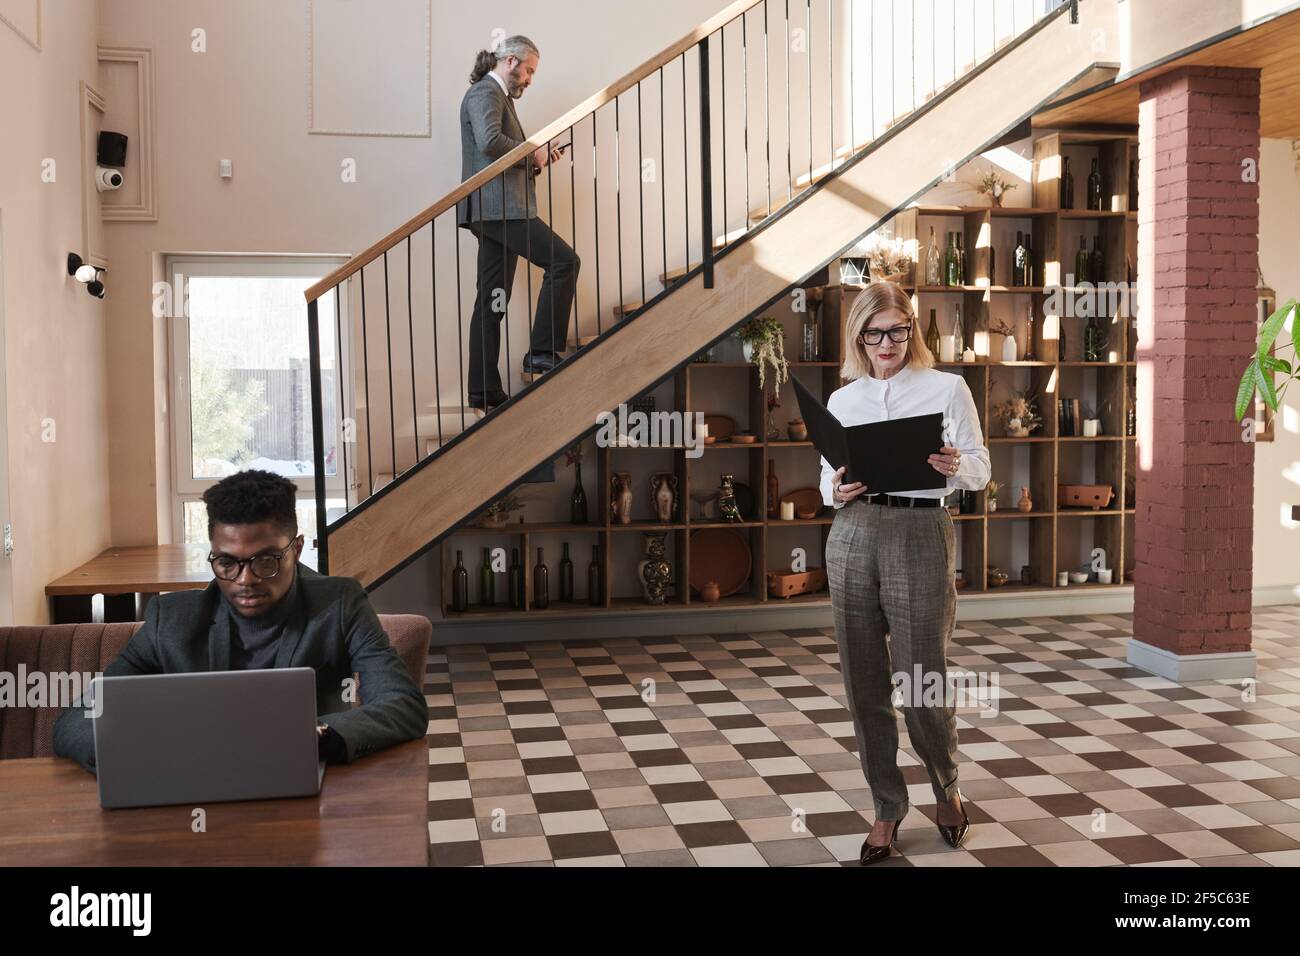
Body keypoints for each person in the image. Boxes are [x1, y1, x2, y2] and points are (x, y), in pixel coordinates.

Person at [53, 469, 428, 774]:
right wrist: (131, 753)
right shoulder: (172, 620)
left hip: (304, 785)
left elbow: (402, 704)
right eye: (227, 563)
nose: (245, 580)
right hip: (192, 787)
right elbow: (77, 720)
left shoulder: (340, 603)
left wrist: (319, 736)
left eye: (265, 561)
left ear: (295, 550)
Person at [818, 281, 990, 865]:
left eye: (897, 330)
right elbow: (826, 483)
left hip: (921, 533)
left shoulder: (948, 388)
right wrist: (835, 488)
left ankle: (947, 788)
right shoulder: (843, 402)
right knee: (864, 685)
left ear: (911, 330)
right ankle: (887, 807)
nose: (887, 342)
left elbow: (981, 470)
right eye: (874, 332)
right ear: (858, 337)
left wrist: (956, 463)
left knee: (922, 680)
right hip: (853, 535)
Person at [457, 35, 580, 413]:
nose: (529, 79)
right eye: (528, 70)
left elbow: (496, 149)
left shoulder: (497, 96)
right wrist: (533, 152)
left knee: (492, 303)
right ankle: (541, 352)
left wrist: (538, 159)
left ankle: (483, 390)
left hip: (497, 211)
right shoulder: (485, 92)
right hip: (501, 211)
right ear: (510, 61)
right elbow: (490, 140)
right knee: (564, 262)